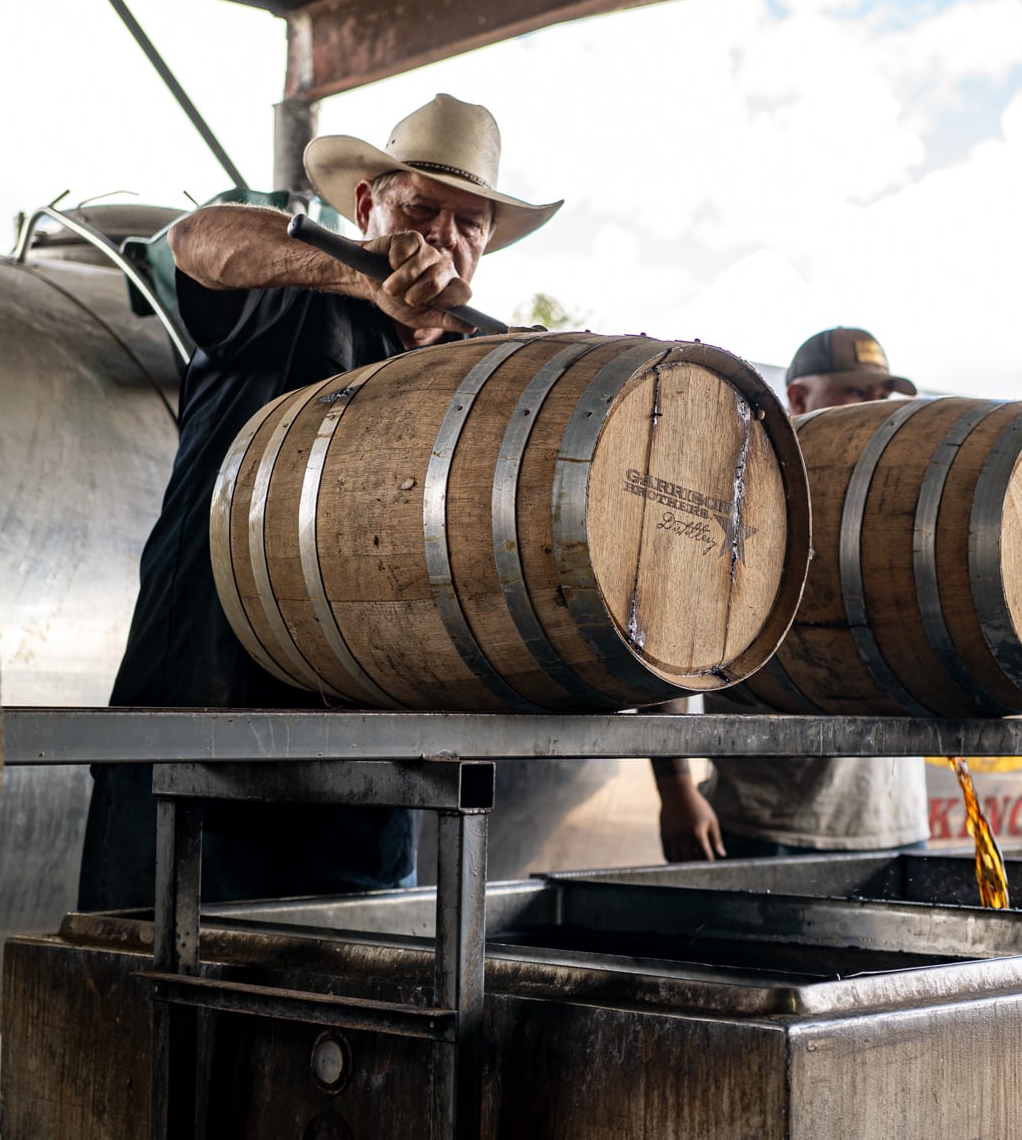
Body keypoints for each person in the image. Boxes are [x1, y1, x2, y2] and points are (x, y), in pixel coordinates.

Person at [78, 94, 562, 909]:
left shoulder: (478, 375)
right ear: (368, 203)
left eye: (467, 221)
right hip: (199, 744)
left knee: (354, 1016)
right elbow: (198, 242)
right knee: (149, 1012)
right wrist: (365, 277)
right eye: (421, 207)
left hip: (370, 784)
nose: (443, 235)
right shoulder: (289, 295)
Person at [651, 327, 926, 860]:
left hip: (896, 822)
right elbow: (673, 639)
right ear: (799, 398)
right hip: (767, 817)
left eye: (882, 395)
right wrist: (676, 789)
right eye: (856, 393)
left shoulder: (900, 502)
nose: (876, 408)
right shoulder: (743, 490)